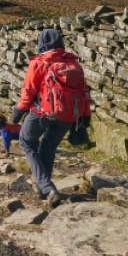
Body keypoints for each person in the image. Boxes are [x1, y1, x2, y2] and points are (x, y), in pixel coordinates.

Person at [11, 28, 91, 206]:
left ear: (41, 45)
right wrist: (85, 116)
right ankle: (44, 188)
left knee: (26, 142)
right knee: (48, 146)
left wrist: (18, 110)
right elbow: (84, 92)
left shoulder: (39, 62)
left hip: (42, 112)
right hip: (68, 116)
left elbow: (28, 90)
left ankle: (47, 187)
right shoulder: (74, 65)